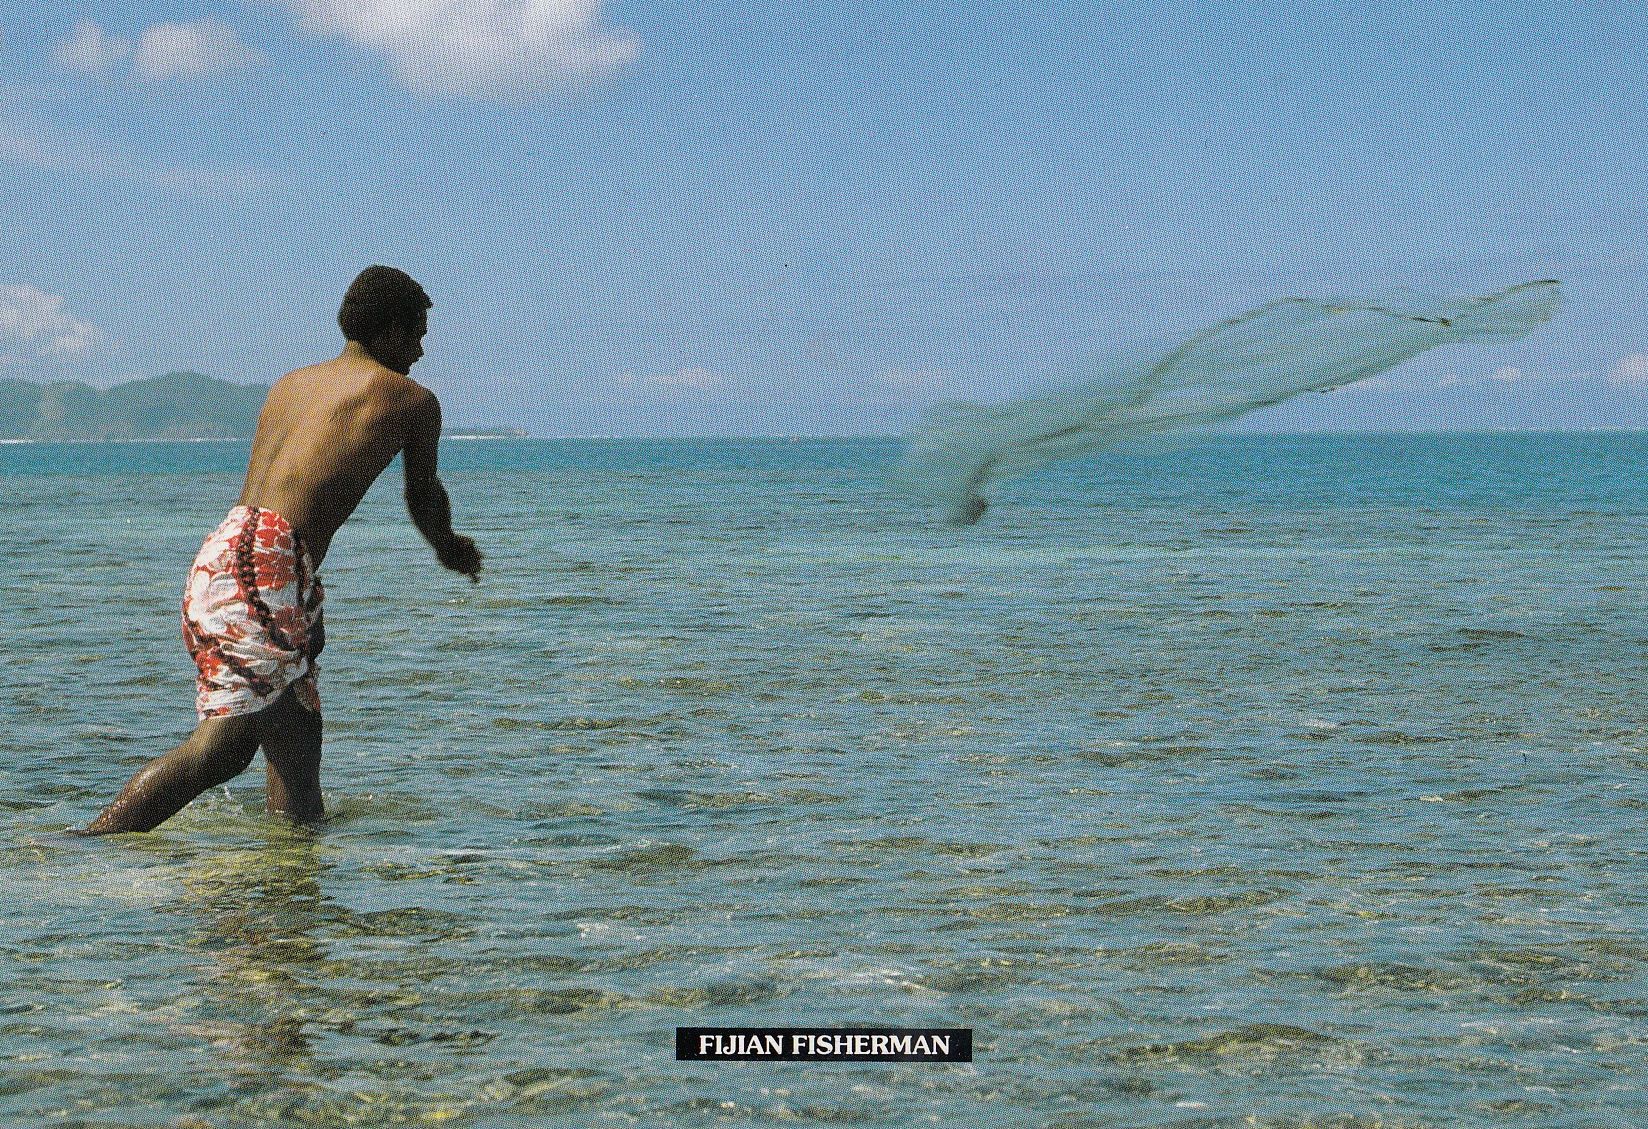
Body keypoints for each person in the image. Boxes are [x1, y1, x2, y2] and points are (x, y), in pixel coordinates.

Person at [81, 265, 482, 834]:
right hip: (265, 565)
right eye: (417, 332)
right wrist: (448, 545)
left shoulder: (292, 383)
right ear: (390, 328)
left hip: (235, 548)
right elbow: (422, 493)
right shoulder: (409, 399)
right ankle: (90, 840)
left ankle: (293, 873)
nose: (420, 350)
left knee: (296, 738)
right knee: (226, 747)